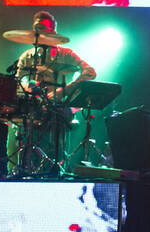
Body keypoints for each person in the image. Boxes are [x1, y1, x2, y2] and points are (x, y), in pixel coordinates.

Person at [10, 11, 96, 175]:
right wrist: (27, 87)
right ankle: (21, 169)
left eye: (43, 28)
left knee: (54, 154)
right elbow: (17, 81)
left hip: (58, 110)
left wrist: (64, 91)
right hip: (32, 110)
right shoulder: (27, 56)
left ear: (53, 32)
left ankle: (55, 171)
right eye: (36, 28)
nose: (39, 32)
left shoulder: (66, 54)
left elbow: (90, 72)